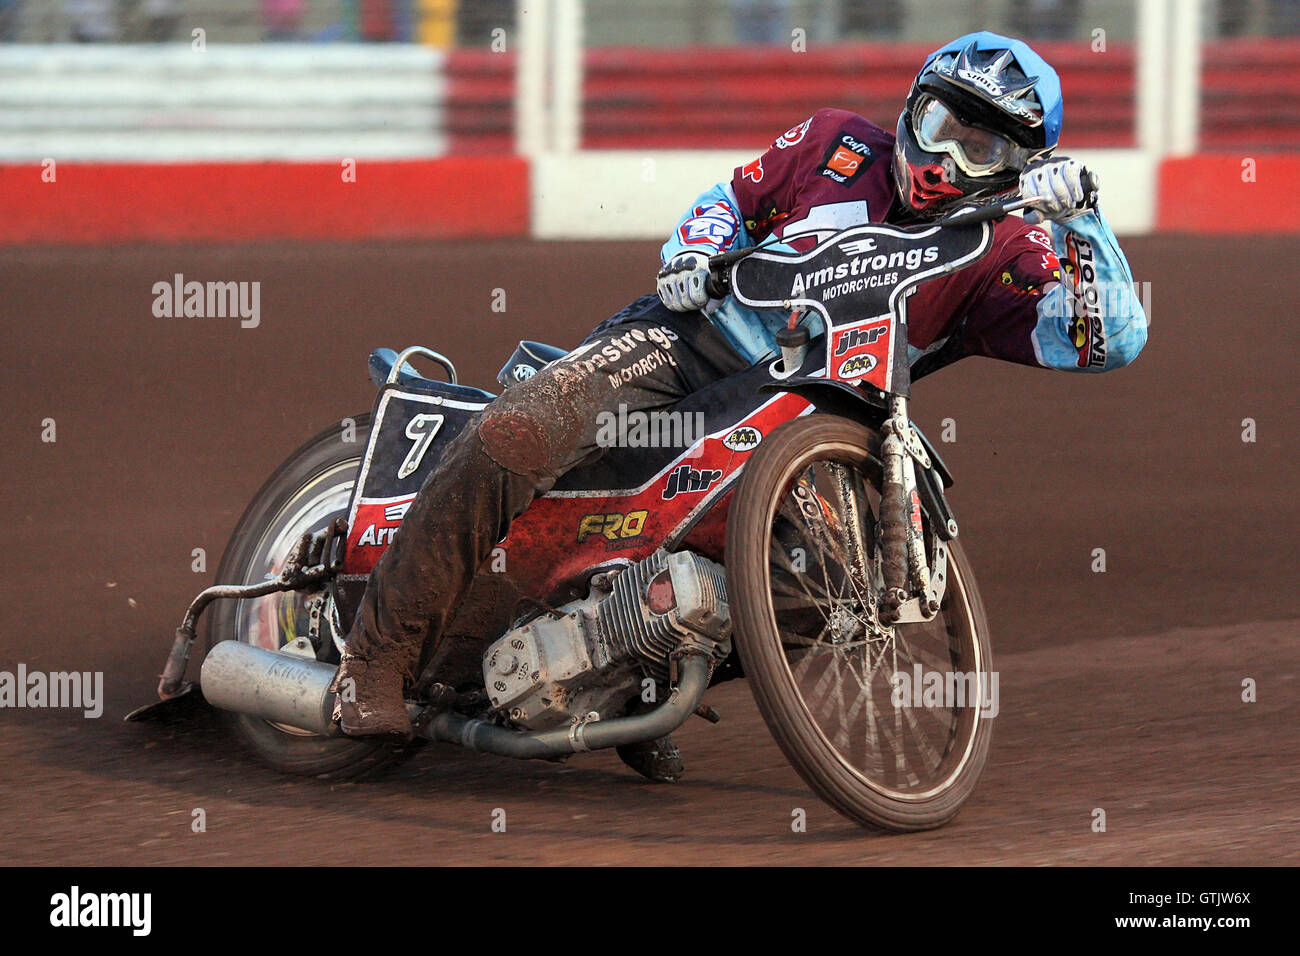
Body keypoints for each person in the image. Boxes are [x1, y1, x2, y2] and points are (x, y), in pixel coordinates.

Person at [331, 31, 1148, 782]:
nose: (945, 162)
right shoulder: (835, 143)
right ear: (912, 111)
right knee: (520, 431)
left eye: (981, 149)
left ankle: (628, 679)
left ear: (1017, 166)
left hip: (815, 415)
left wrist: (1085, 222)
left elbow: (1107, 339)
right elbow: (727, 200)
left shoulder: (1007, 248)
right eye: (940, 127)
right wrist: (694, 251)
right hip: (688, 342)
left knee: (824, 589)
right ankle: (373, 663)